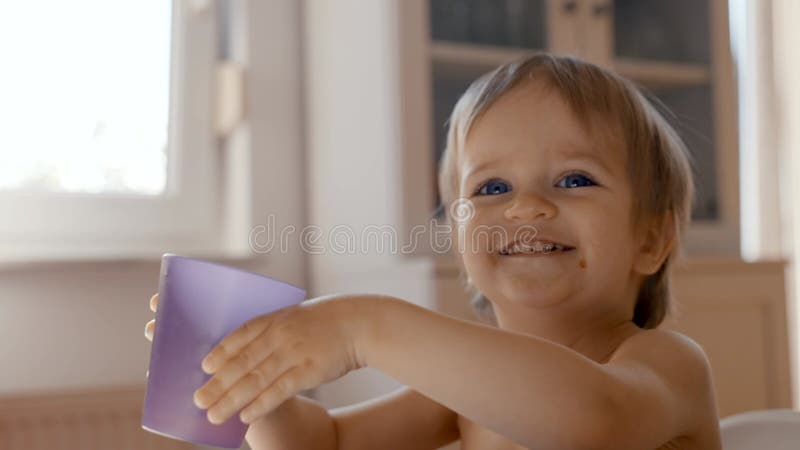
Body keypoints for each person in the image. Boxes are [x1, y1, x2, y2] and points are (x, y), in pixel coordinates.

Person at [144, 53, 722, 449]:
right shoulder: (458, 394)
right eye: (491, 188)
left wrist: (363, 325)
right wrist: (254, 386)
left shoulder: (665, 363)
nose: (525, 208)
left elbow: (598, 421)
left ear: (652, 238)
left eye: (574, 179)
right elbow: (327, 444)